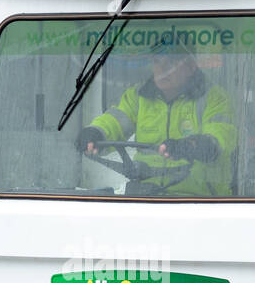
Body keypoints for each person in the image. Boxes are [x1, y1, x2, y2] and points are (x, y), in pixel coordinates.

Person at [76, 36, 236, 196]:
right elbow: (116, 120)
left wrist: (192, 146)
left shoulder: (214, 98)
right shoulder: (138, 96)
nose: (163, 70)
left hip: (201, 201)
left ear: (191, 66)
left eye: (172, 63)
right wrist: (96, 132)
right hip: (146, 197)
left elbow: (220, 136)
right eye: (157, 62)